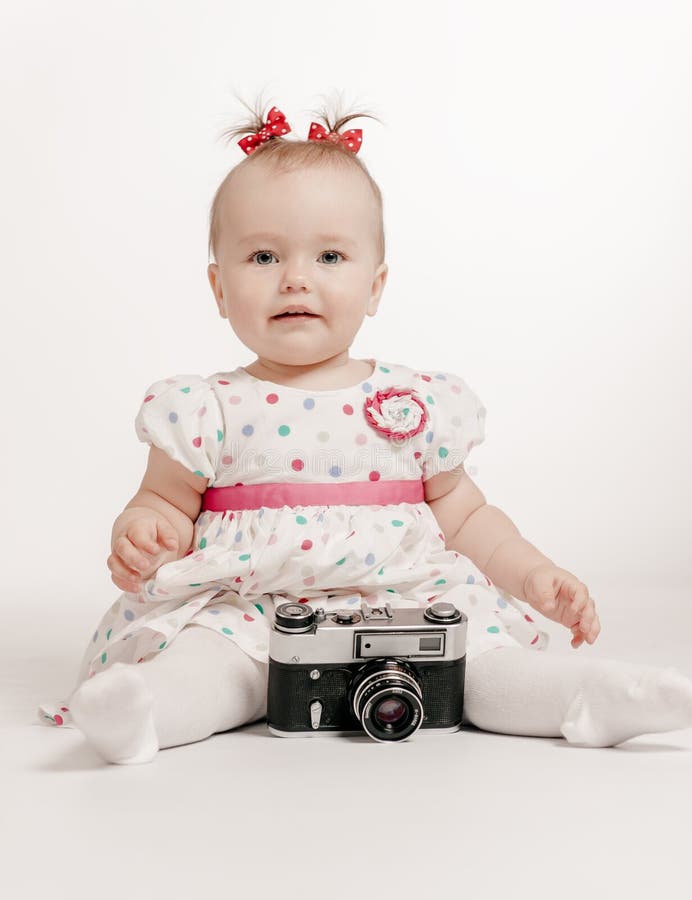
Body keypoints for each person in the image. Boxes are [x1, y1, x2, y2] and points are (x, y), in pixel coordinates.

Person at [38, 96, 692, 763]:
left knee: (483, 669)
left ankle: (590, 696)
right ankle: (146, 712)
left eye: (329, 256)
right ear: (218, 287)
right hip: (256, 607)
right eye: (263, 257)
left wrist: (533, 575)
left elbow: (468, 518)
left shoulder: (416, 402)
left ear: (375, 285)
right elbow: (165, 501)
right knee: (214, 668)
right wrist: (146, 533)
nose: (296, 278)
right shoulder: (208, 408)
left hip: (407, 602)